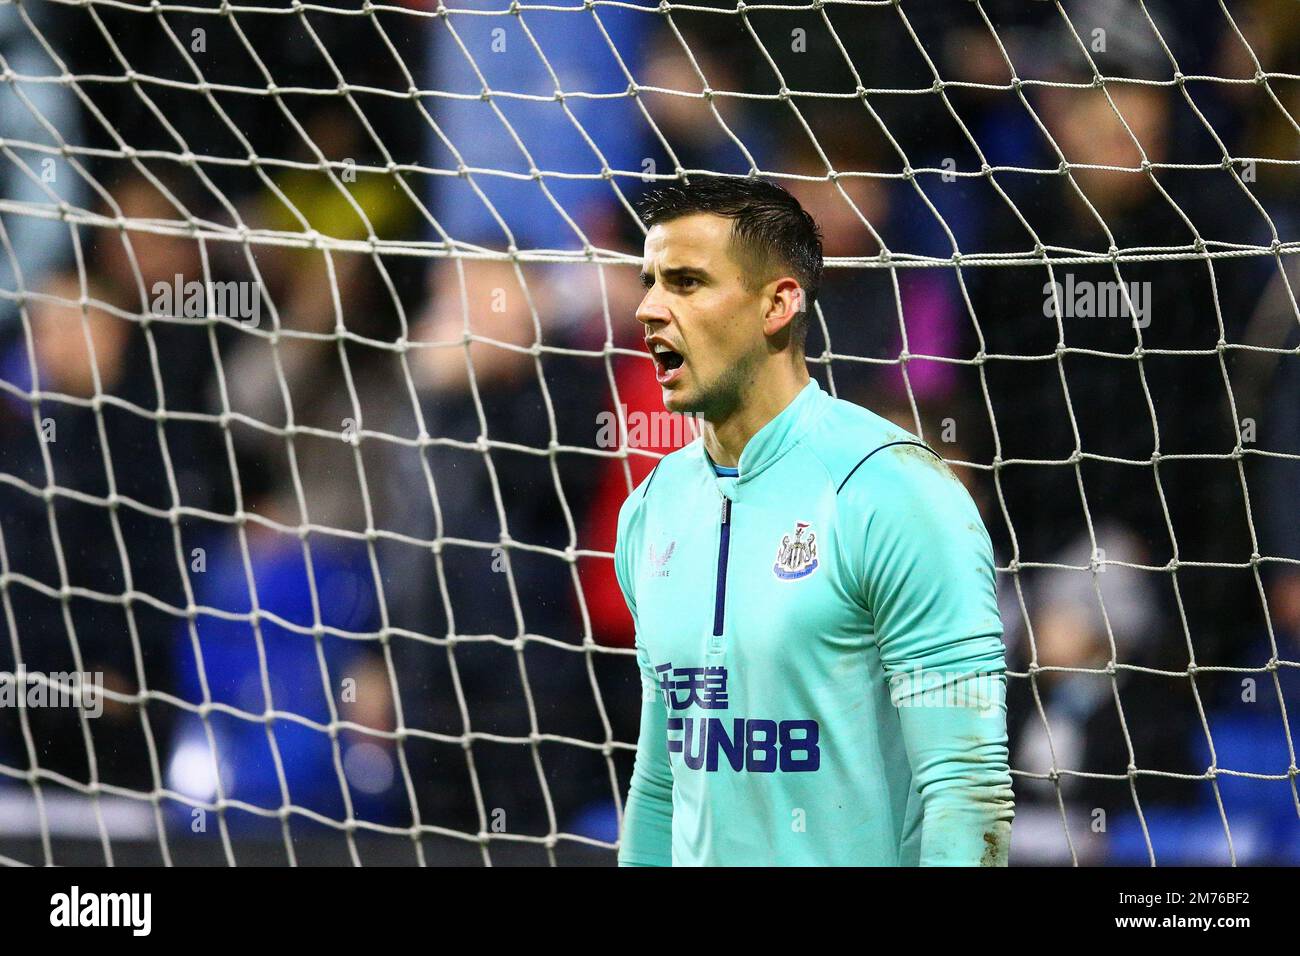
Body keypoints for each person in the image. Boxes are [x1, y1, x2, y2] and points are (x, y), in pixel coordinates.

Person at [614, 177, 1014, 866]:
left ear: (778, 303)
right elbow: (658, 787)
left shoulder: (896, 493)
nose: (650, 308)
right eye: (651, 280)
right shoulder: (651, 509)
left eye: (686, 282)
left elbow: (966, 792)